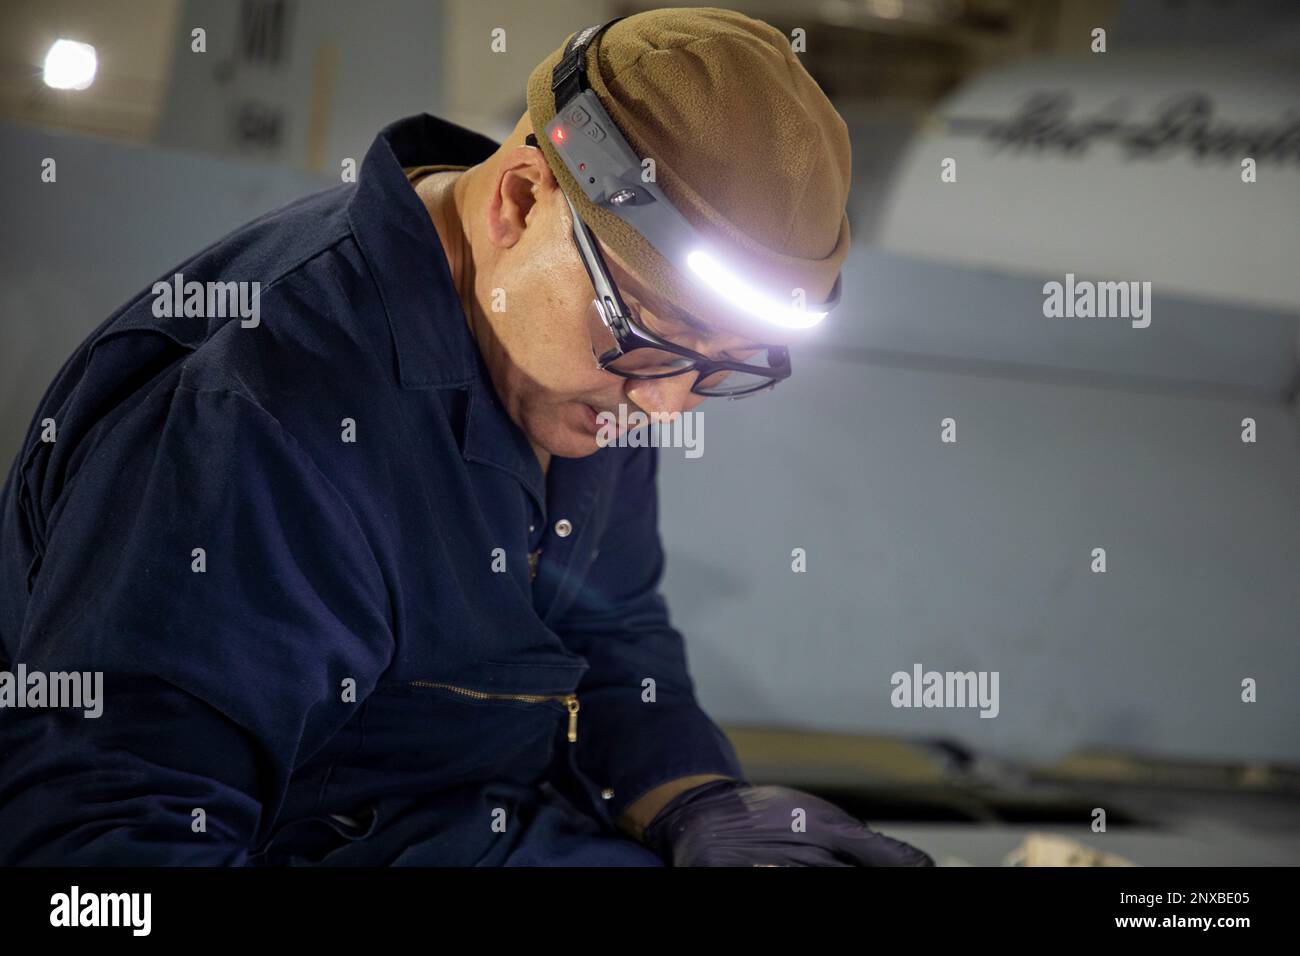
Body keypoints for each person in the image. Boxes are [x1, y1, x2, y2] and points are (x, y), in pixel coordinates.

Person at [0, 7, 932, 866]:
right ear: (522, 202)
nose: (668, 410)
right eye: (655, 344)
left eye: (728, 368)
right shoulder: (261, 418)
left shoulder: (595, 365)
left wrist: (696, 803)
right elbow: (106, 837)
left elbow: (609, 626)